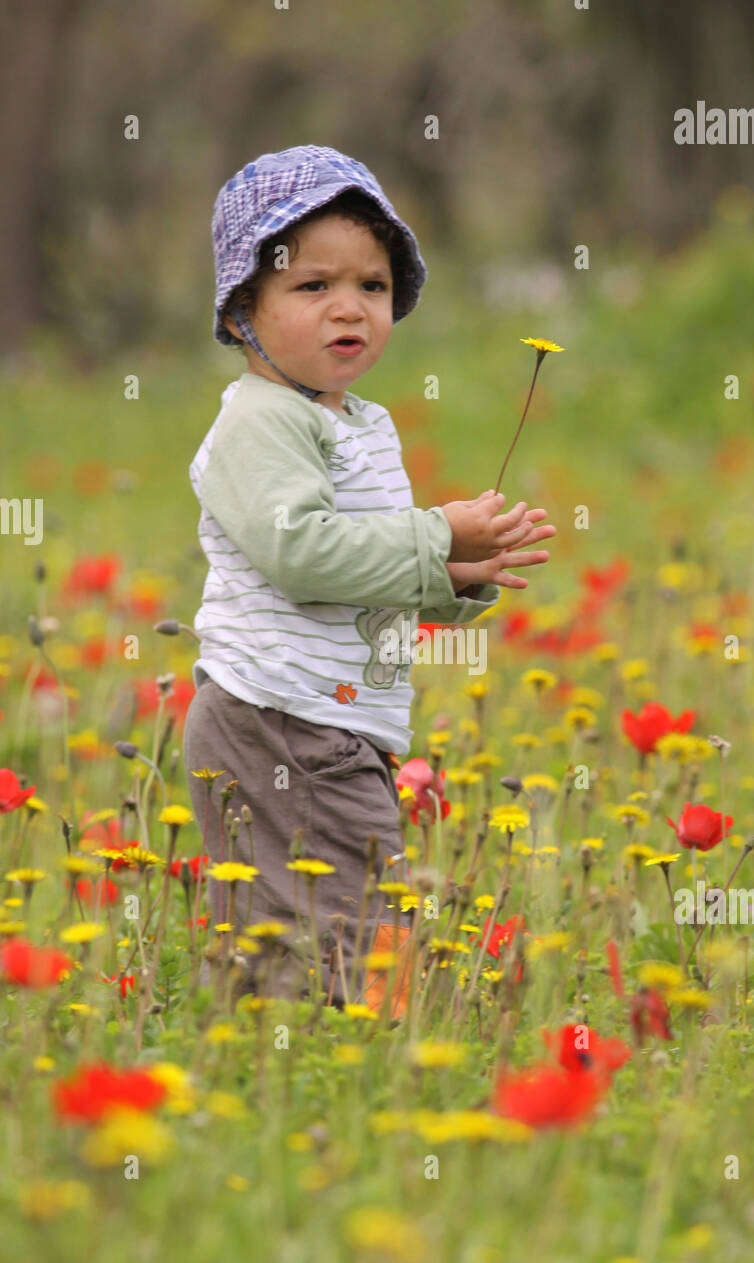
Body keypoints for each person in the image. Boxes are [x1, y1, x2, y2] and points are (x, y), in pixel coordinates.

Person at [183, 144, 555, 1006]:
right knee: (324, 926)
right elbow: (302, 554)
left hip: (330, 723)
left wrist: (455, 573)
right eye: (313, 286)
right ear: (244, 311)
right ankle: (309, 1074)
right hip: (280, 720)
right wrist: (433, 538)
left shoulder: (357, 424)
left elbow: (368, 565)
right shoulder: (262, 422)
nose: (349, 307)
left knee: (321, 918)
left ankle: (292, 1069)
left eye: (373, 287)